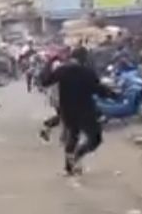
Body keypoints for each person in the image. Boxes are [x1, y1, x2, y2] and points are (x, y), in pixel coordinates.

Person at [41, 46, 116, 175]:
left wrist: (49, 62)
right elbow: (98, 89)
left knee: (73, 136)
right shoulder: (87, 72)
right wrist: (113, 94)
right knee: (95, 138)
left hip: (67, 109)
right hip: (85, 109)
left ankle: (69, 166)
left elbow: (45, 81)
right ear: (84, 58)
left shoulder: (62, 70)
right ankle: (78, 155)